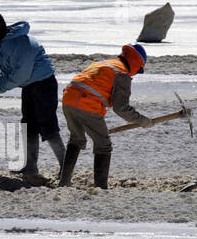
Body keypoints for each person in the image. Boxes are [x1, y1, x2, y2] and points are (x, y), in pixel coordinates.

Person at [0, 10, 65, 179]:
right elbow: (9, 72)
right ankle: (30, 167)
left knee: (48, 126)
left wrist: (1, 88)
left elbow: (20, 74)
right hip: (30, 86)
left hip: (43, 84)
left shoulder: (17, 43)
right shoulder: (5, 42)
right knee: (29, 125)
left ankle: (65, 165)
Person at [58, 43, 152, 189]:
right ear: (136, 64)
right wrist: (143, 121)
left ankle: (64, 182)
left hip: (68, 98)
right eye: (138, 70)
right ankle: (100, 187)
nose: (135, 73)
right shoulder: (122, 74)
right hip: (87, 103)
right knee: (103, 145)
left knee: (76, 139)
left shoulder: (105, 63)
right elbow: (121, 108)